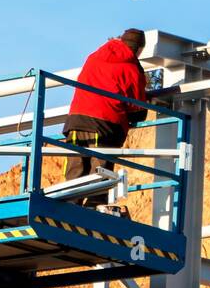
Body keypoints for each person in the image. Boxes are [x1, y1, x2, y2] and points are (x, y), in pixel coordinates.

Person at [60, 29, 149, 185]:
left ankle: (68, 205)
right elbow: (138, 111)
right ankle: (94, 204)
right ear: (140, 49)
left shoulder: (93, 57)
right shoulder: (132, 69)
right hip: (105, 126)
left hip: (75, 121)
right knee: (100, 175)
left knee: (74, 174)